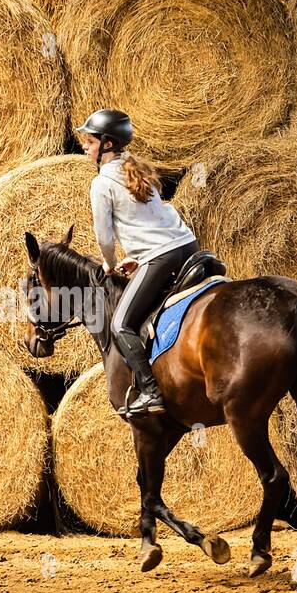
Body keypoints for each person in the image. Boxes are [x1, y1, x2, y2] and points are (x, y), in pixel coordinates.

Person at [78, 108, 199, 416]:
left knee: (121, 324)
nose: (84, 146)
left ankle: (150, 390)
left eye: (89, 141)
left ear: (106, 145)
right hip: (188, 246)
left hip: (161, 257)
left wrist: (110, 263)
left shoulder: (102, 183)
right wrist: (137, 256)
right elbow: (152, 220)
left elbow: (104, 237)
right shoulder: (138, 169)